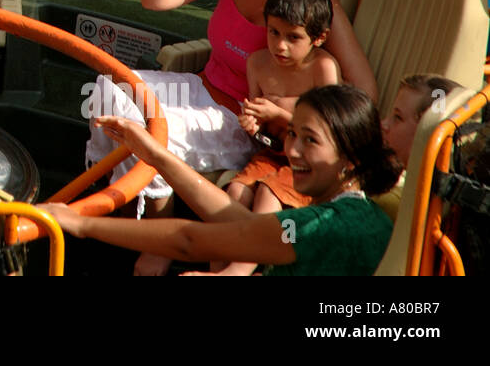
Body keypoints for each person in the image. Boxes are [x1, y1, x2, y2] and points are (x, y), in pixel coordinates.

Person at [84, 0, 374, 273]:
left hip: (241, 123)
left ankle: (161, 239)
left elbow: (363, 93)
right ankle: (121, 201)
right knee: (106, 90)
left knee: (149, 127)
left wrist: (289, 112)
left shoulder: (312, 0)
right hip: (200, 89)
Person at [49, 85, 402, 276]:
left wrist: (80, 224)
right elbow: (242, 224)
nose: (292, 151)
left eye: (311, 140)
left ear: (351, 157)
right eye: (292, 133)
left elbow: (190, 241)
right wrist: (153, 153)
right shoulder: (358, 215)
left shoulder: (323, 226)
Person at [212, 0, 340, 275]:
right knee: (234, 193)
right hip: (273, 154)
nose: (279, 46)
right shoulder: (257, 63)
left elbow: (330, 129)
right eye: (273, 32)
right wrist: (252, 123)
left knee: (268, 194)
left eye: (293, 37)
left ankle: (240, 270)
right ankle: (218, 263)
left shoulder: (323, 67)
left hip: (310, 161)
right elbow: (261, 126)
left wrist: (280, 113)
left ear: (319, 38)